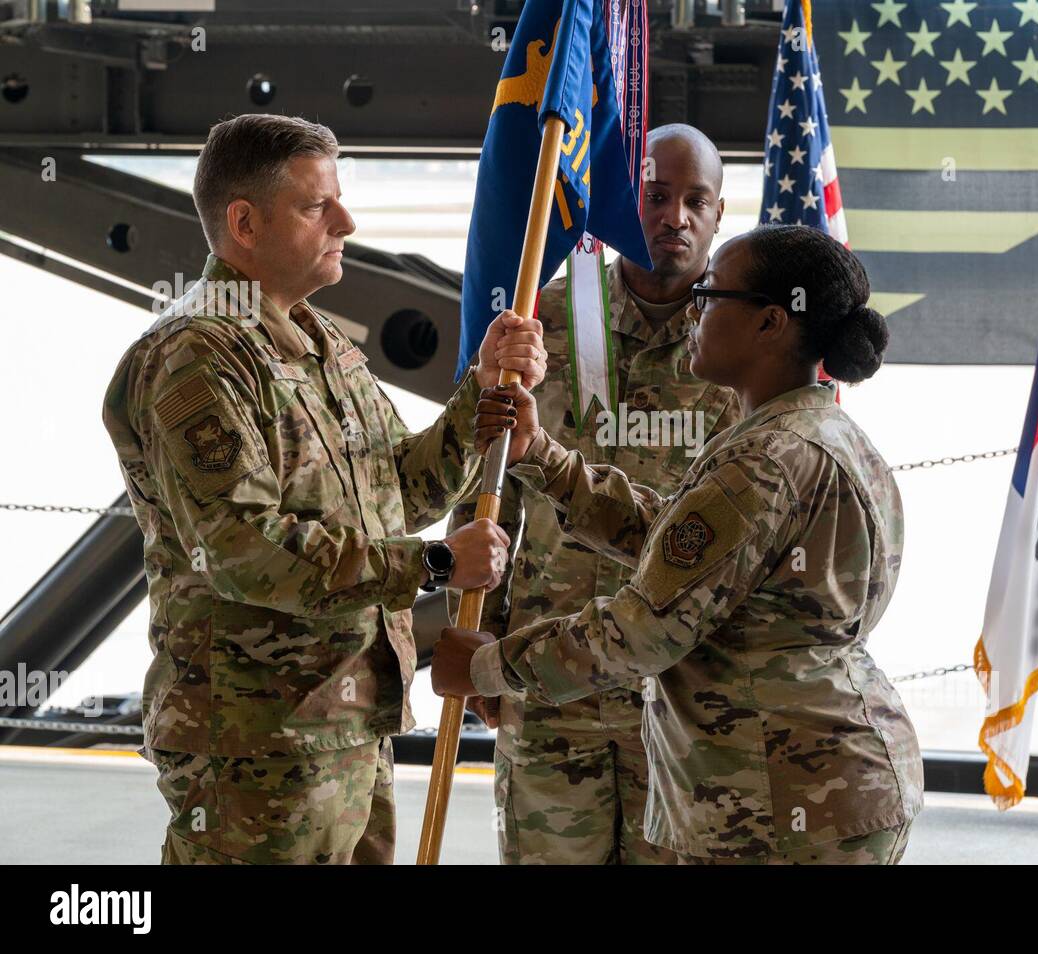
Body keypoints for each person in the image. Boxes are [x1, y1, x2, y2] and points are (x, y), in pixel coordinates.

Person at [101, 113, 547, 864]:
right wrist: (436, 567)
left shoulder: (317, 340)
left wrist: (482, 394)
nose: (346, 219)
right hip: (256, 742)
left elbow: (394, 492)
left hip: (345, 725)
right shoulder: (197, 359)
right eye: (318, 206)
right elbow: (246, 552)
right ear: (244, 223)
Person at [434, 224, 924, 864]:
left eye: (711, 296)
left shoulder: (766, 461)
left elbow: (643, 629)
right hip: (804, 783)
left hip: (783, 799)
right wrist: (543, 458)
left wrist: (487, 667)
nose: (694, 310)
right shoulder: (810, 431)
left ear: (770, 323)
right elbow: (678, 545)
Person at [444, 124, 741, 864]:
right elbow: (485, 491)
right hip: (550, 686)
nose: (674, 217)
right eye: (655, 194)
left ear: (718, 215)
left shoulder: (741, 349)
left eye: (694, 200)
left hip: (683, 700)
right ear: (620, 200)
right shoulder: (540, 324)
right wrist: (478, 629)